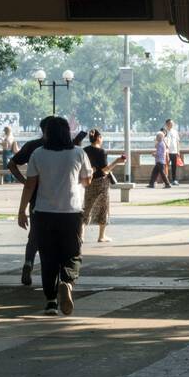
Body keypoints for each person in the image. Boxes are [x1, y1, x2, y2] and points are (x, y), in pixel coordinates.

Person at [18, 116, 92, 316]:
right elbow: (88, 179)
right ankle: (67, 282)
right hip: (71, 212)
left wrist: (21, 210)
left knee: (48, 257)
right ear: (67, 133)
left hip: (43, 214)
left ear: (47, 134)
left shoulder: (38, 154)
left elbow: (30, 185)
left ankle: (51, 301)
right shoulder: (78, 153)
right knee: (73, 254)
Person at [10, 118, 53, 286]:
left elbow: (12, 164)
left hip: (36, 196)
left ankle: (29, 262)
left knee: (35, 234)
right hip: (61, 200)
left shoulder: (32, 146)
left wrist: (25, 181)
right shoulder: (66, 148)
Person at [82, 128, 126, 243]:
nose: (102, 139)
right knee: (103, 208)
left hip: (89, 182)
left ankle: (81, 235)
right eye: (101, 137)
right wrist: (116, 161)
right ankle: (101, 236)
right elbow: (105, 170)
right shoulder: (102, 152)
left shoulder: (84, 150)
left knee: (87, 207)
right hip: (101, 183)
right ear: (98, 138)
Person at [164, 119, 181, 186]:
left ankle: (174, 180)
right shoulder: (164, 131)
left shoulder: (175, 132)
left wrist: (178, 151)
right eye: (170, 123)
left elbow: (177, 142)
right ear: (167, 124)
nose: (171, 125)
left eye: (172, 123)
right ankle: (166, 181)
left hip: (174, 151)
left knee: (174, 167)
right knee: (166, 166)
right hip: (167, 152)